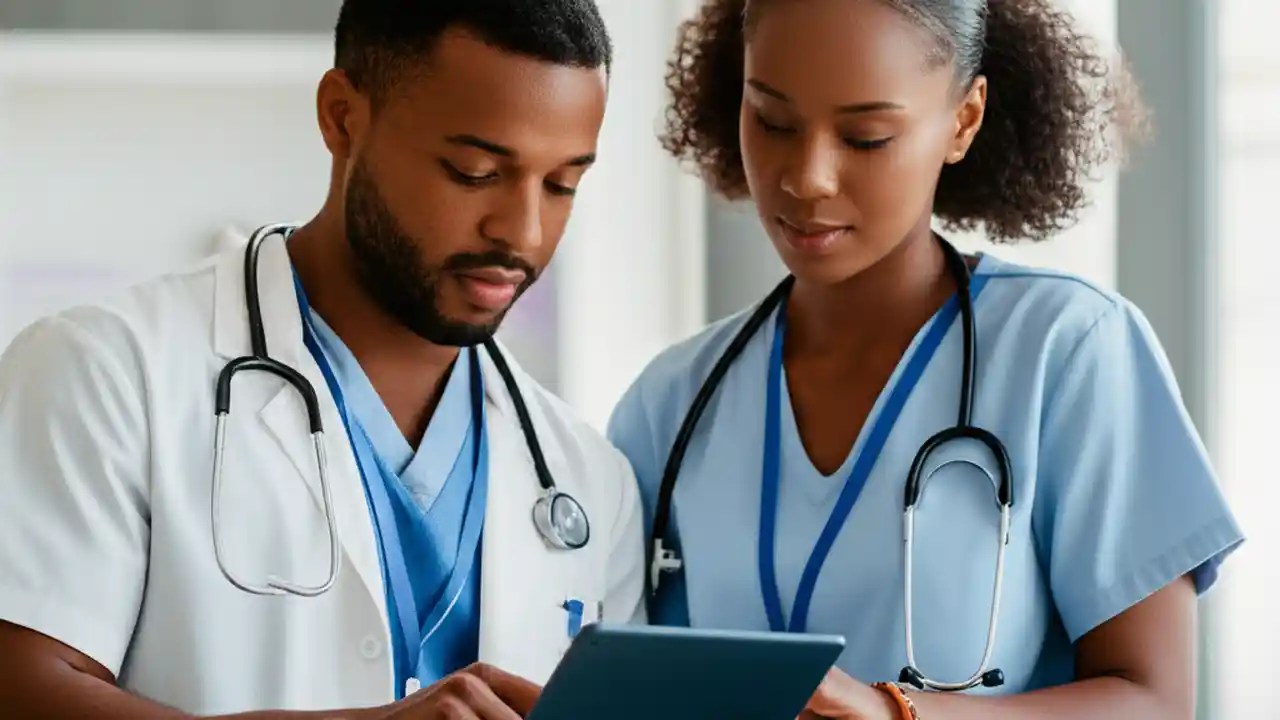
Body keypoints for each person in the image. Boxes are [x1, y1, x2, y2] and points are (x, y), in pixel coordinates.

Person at [0, 1, 645, 717]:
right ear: (342, 118)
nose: (522, 231)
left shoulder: (589, 478)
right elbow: (22, 688)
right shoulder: (103, 375)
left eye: (563, 184)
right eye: (474, 171)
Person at [607, 0, 1243, 718]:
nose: (808, 177)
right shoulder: (672, 404)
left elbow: (1154, 703)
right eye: (774, 122)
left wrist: (896, 714)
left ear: (963, 120)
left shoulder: (1069, 353)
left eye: (867, 136)